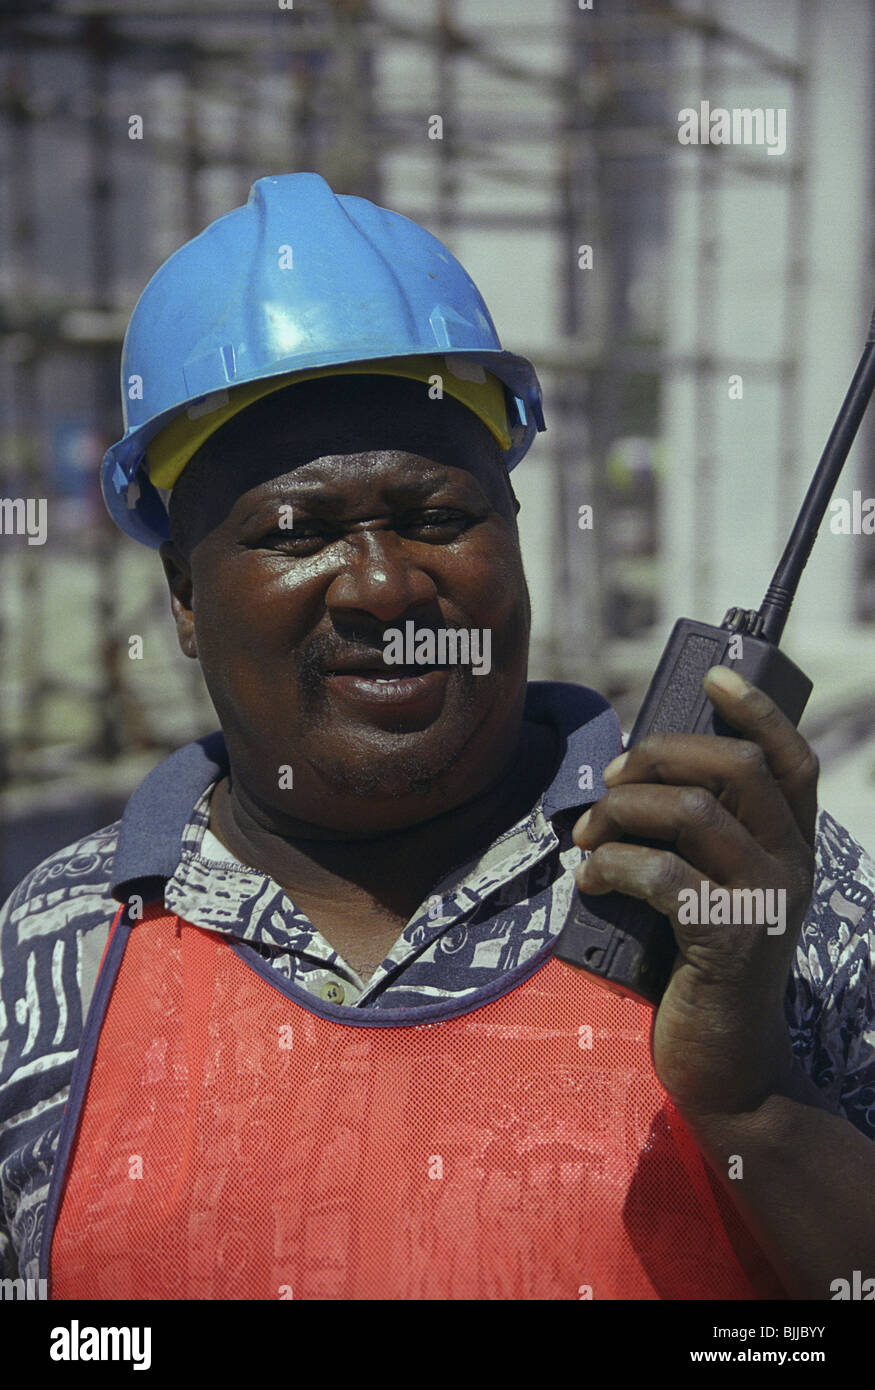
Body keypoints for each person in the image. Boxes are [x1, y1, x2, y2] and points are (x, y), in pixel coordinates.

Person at [1, 173, 873, 1302]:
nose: (379, 585)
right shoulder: (57, 949)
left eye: (433, 518)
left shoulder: (743, 891)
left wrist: (755, 1100)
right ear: (181, 593)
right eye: (294, 530)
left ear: (513, 540)